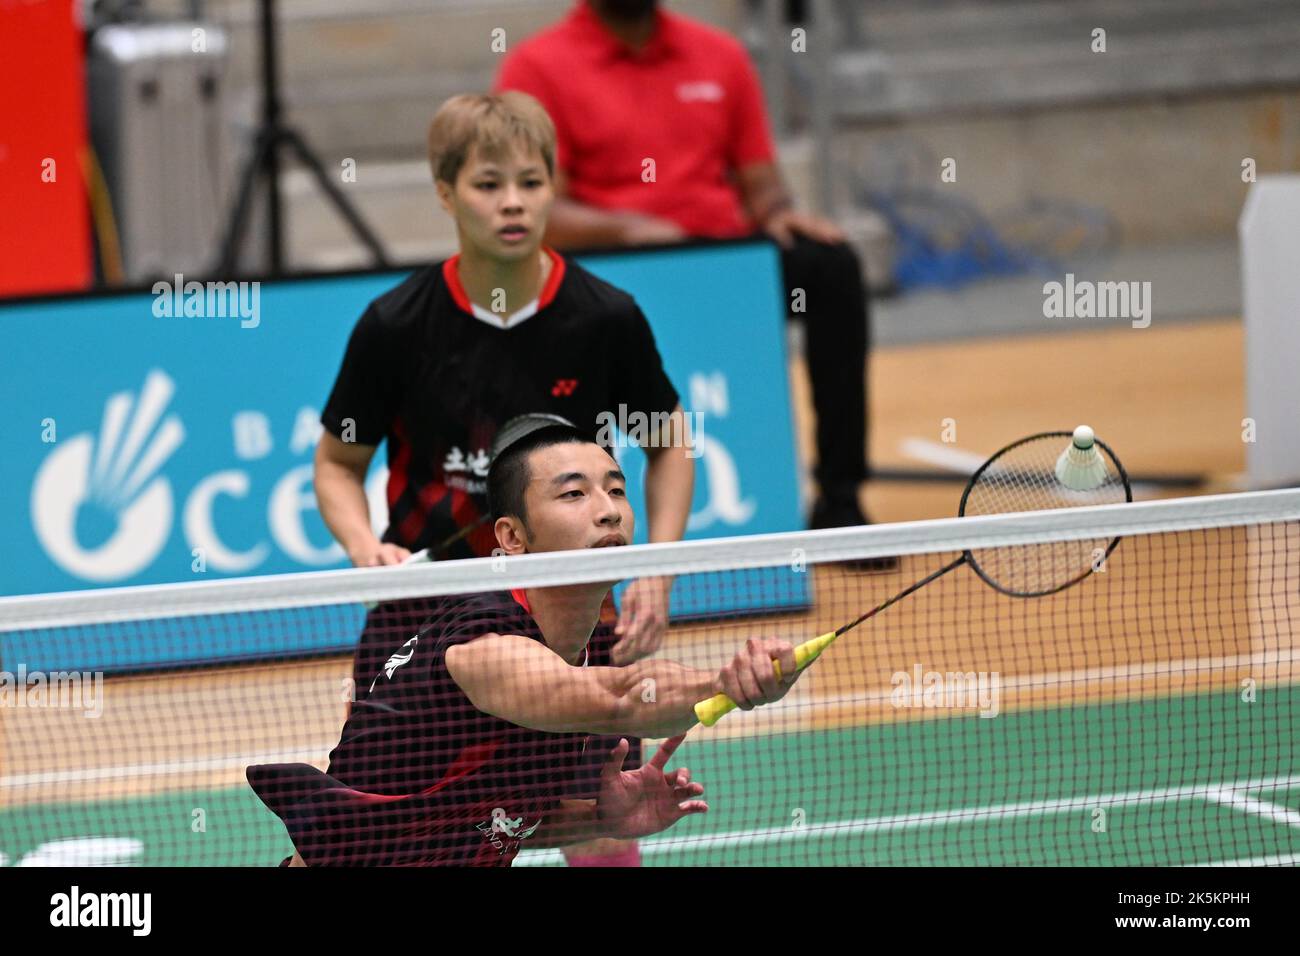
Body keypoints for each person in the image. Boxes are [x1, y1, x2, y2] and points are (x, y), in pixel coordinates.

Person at [312, 92, 696, 865]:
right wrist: (362, 545)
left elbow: (669, 446)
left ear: (555, 187)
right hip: (424, 615)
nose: (513, 202)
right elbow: (336, 464)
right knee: (382, 842)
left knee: (600, 825)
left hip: (565, 611)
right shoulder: (396, 327)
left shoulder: (604, 319)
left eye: (531, 181)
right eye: (489, 184)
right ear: (447, 191)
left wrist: (657, 563)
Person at [249, 420, 801, 866]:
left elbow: (482, 818)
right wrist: (728, 684)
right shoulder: (488, 650)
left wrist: (598, 821)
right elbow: (623, 699)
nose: (608, 509)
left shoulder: (564, 654)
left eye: (615, 489)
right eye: (575, 494)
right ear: (512, 537)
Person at [495, 0, 897, 568]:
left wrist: (780, 210)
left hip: (725, 260)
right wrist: (629, 229)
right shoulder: (536, 66)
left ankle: (840, 498)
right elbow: (540, 209)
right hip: (610, 268)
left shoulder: (721, 55)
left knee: (831, 266)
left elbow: (761, 184)